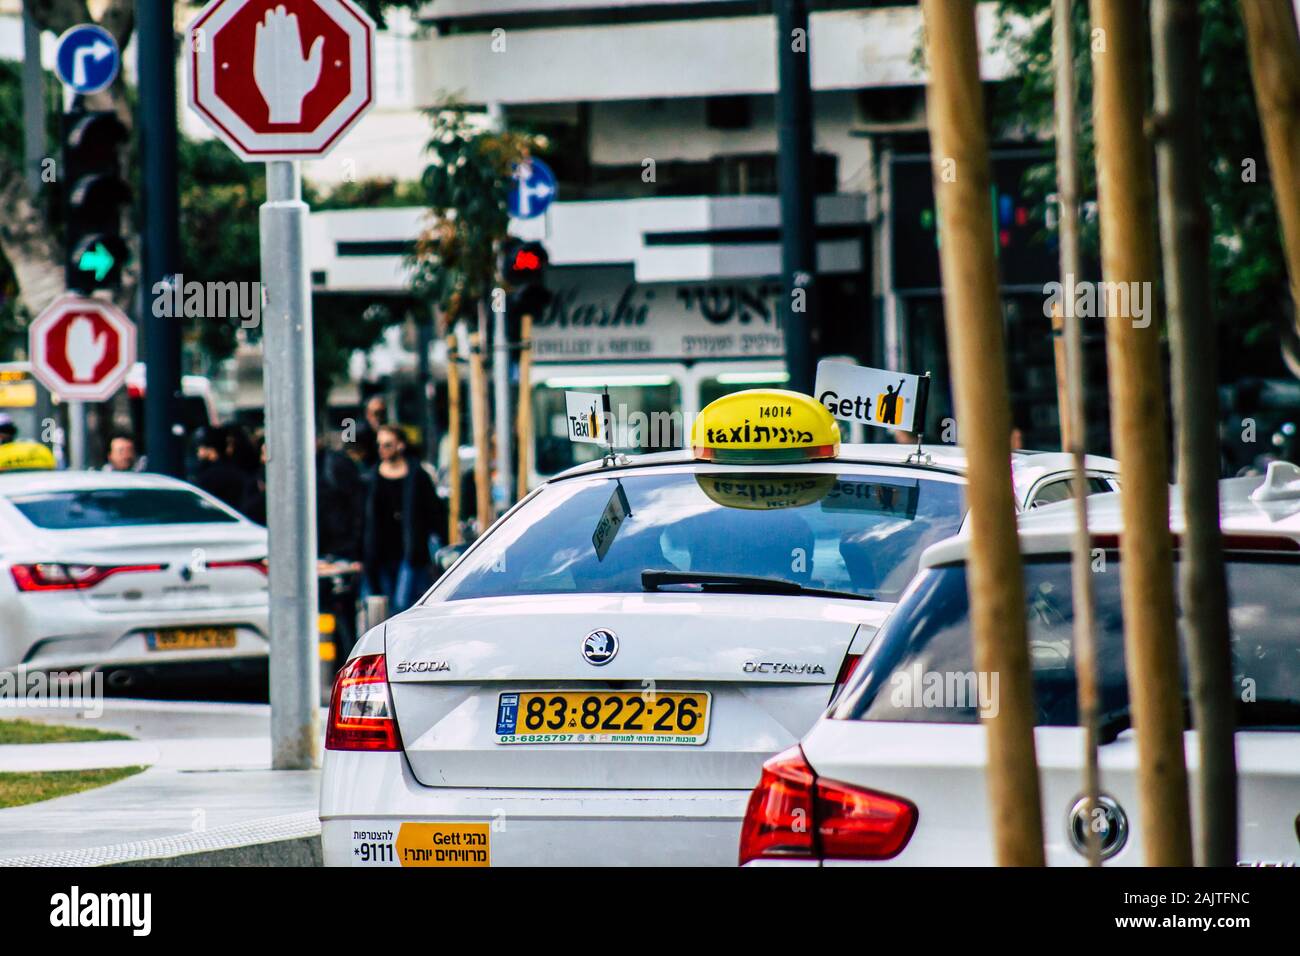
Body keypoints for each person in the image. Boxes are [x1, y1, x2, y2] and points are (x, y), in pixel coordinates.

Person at [362, 424, 447, 611]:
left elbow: (434, 512)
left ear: (400, 445)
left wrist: (441, 541)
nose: (382, 450)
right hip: (381, 552)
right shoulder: (371, 478)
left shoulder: (417, 475)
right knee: (387, 602)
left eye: (387, 445)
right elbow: (363, 518)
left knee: (403, 603)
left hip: (410, 550)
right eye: (380, 445)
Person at [191, 425, 253, 512]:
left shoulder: (208, 476)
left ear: (210, 449)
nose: (198, 452)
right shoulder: (237, 471)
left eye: (200, 448)